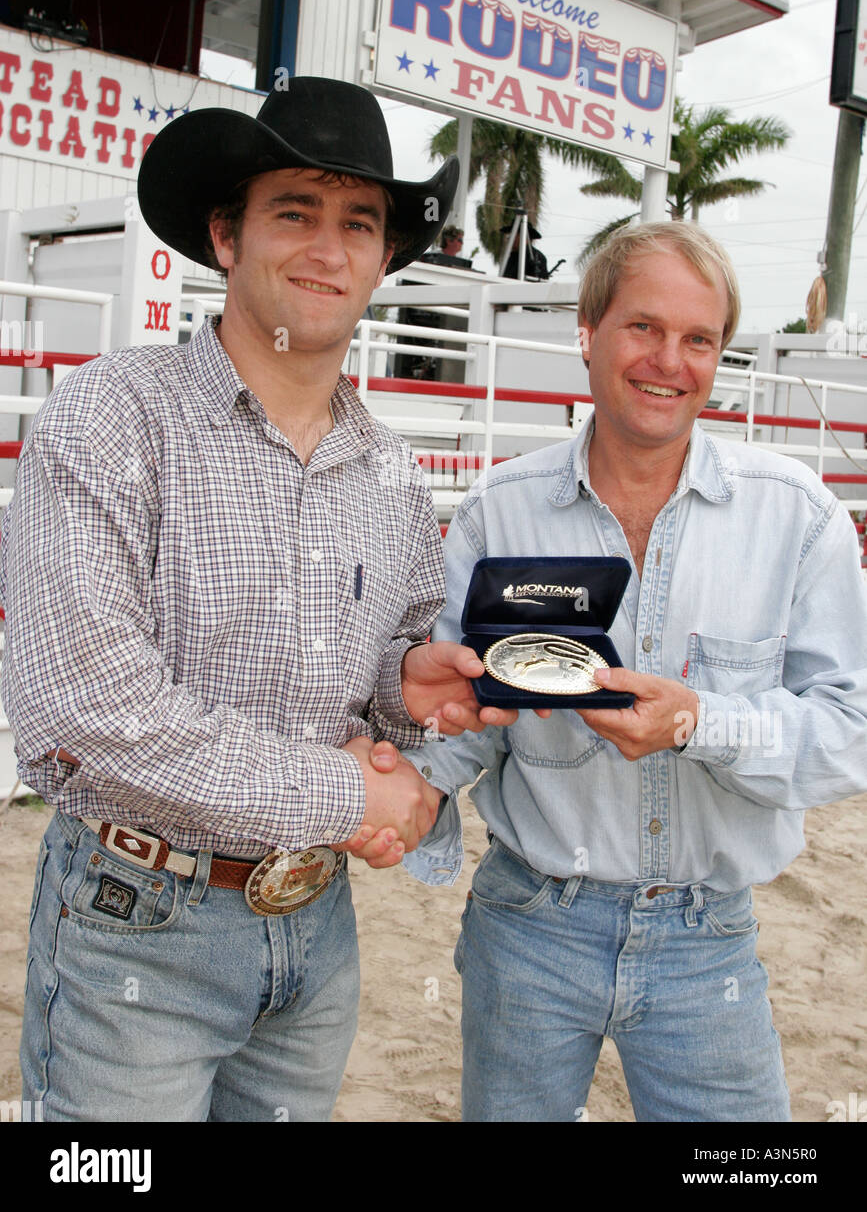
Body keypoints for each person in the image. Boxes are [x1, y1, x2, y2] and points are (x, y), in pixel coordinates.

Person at [0, 76, 510, 1122]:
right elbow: (90, 717)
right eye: (295, 212)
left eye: (358, 223)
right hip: (136, 920)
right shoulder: (110, 420)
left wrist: (401, 684)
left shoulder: (394, 477)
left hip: (315, 933)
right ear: (225, 236)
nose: (329, 249)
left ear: (383, 259)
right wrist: (351, 797)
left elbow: (368, 688)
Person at [380, 219, 867, 1122]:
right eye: (643, 326)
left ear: (720, 355)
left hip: (708, 937)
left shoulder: (797, 520)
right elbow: (464, 713)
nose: (667, 361)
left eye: (698, 339)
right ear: (589, 330)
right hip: (527, 926)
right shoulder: (500, 510)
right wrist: (395, 788)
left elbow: (850, 733)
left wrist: (698, 722)